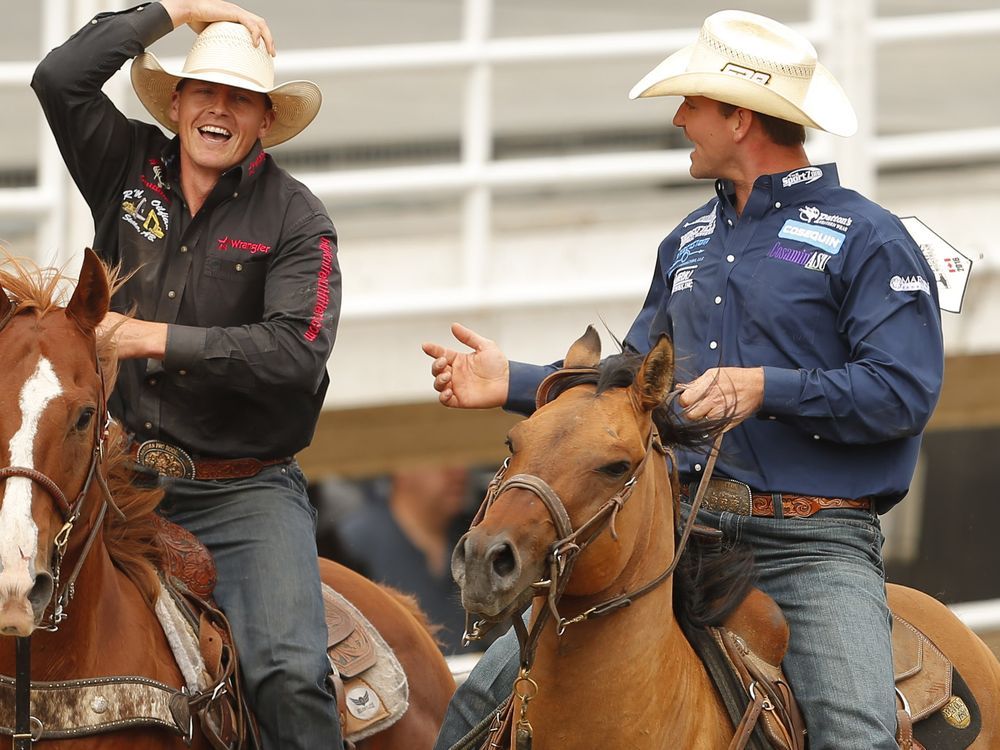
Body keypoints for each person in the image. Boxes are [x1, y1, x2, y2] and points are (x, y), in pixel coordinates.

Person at [422, 10, 943, 750]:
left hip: (812, 543)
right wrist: (515, 380)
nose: (678, 119)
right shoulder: (690, 239)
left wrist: (766, 387)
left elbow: (904, 394)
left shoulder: (870, 238)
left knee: (858, 736)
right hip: (679, 534)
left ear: (738, 118)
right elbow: (629, 395)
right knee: (476, 706)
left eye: (692, 104)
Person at [32, 2, 344, 748]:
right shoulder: (126, 165)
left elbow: (297, 353)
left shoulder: (299, 219)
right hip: (119, 473)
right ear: (176, 102)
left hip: (246, 493)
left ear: (264, 121)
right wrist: (177, 10)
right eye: (204, 90)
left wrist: (150, 337)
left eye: (240, 98)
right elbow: (59, 77)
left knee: (289, 676)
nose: (218, 108)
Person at [338, 465, 474, 655]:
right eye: (441, 455)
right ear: (401, 467)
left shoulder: (479, 537)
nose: (459, 470)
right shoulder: (353, 543)